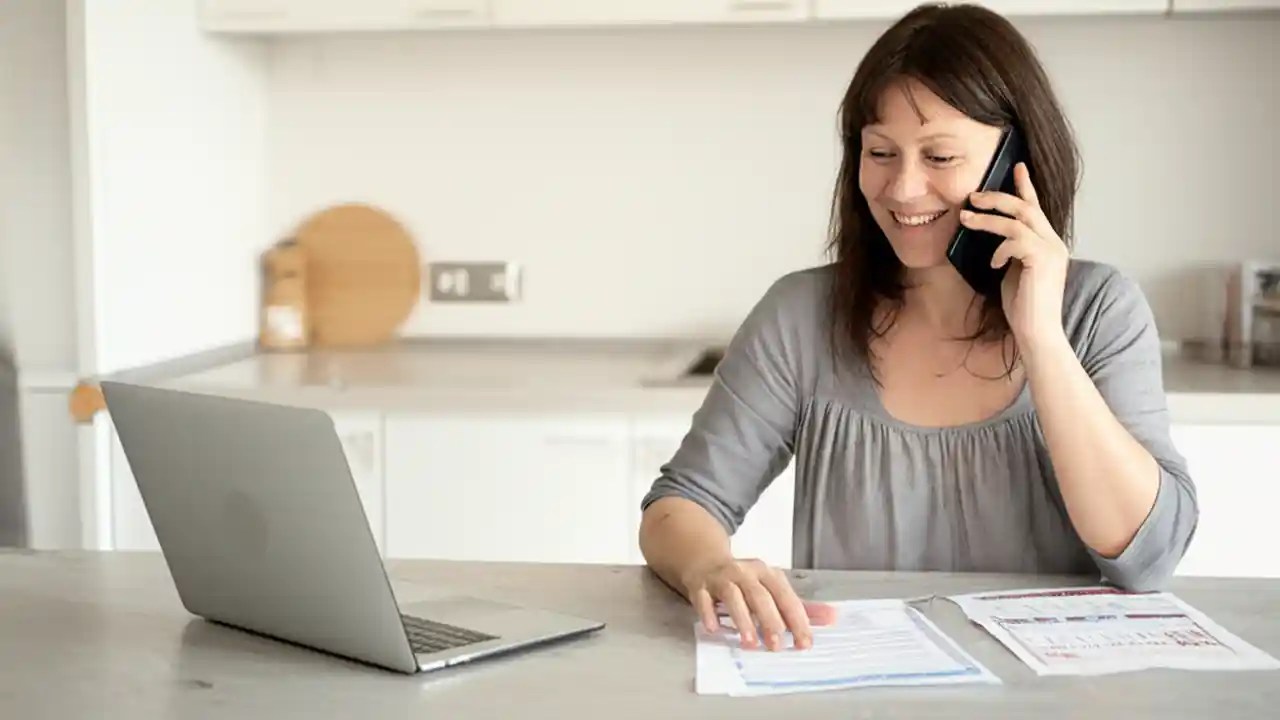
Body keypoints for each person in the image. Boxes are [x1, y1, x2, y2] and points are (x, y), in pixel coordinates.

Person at [637, 2, 1199, 653]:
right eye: (880, 152)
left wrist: (1042, 337)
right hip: (861, 683)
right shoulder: (799, 317)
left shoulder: (1100, 310)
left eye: (939, 156)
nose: (903, 189)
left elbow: (1147, 555)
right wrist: (709, 565)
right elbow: (680, 505)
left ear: (1015, 161)